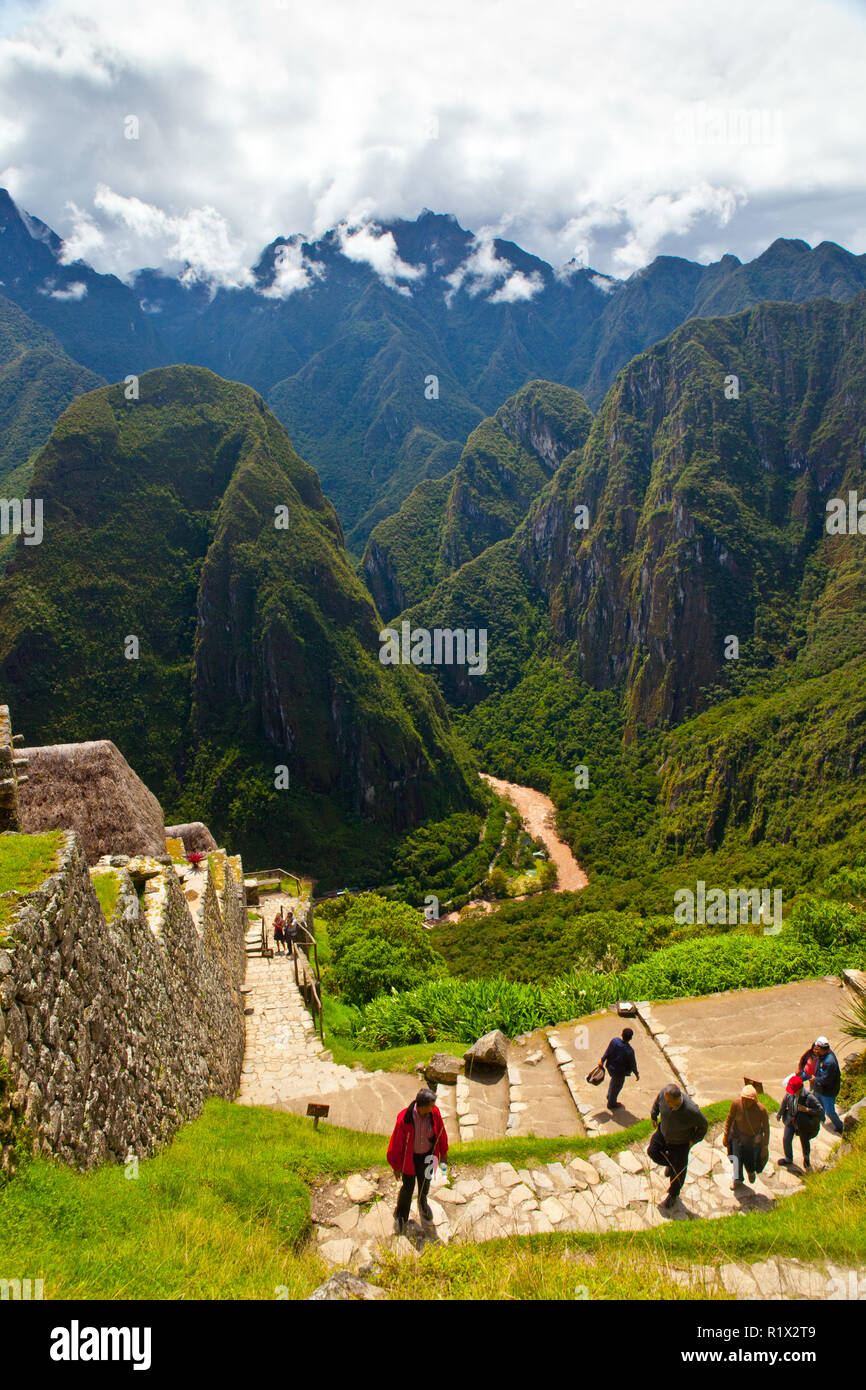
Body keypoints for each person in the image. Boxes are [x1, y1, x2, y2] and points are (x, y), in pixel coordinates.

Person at [387, 1088, 448, 1234]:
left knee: (425, 1182)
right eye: (431, 1105)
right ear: (421, 1106)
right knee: (407, 1188)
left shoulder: (434, 1113)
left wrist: (444, 1153)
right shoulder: (404, 1119)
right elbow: (396, 1143)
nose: (434, 1108)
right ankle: (401, 1216)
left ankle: (422, 1203)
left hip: (428, 1156)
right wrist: (396, 1166)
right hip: (410, 1159)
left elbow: (441, 1132)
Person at [648, 1083, 709, 1211]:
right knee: (652, 1152)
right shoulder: (664, 1094)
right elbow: (657, 1102)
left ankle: (673, 1194)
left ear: (677, 1099)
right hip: (663, 1134)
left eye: (669, 1101)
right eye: (666, 1100)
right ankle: (670, 1163)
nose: (667, 1103)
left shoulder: (692, 1111)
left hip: (681, 1143)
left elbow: (704, 1126)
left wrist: (693, 1141)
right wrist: (654, 1115)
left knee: (678, 1171)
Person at [722, 1085, 770, 1188]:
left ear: (754, 1100)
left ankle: (751, 1172)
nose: (745, 1102)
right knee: (736, 1157)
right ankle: (737, 1179)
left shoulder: (761, 1110)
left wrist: (765, 1146)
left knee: (751, 1159)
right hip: (737, 1135)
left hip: (751, 1139)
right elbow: (730, 1118)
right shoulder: (736, 1104)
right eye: (744, 1099)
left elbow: (766, 1128)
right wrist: (726, 1135)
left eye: (749, 1100)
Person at [778, 1073, 823, 1170]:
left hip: (803, 1123)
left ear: (800, 1088)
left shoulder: (809, 1097)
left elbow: (820, 1110)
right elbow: (784, 1103)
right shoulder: (790, 1093)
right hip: (790, 1120)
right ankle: (788, 1158)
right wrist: (779, 1114)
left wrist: (807, 1110)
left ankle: (806, 1159)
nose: (792, 1092)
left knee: (804, 1142)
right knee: (786, 1139)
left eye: (794, 1091)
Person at [598, 1027, 640, 1111]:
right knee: (617, 1086)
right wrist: (636, 1073)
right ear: (631, 1038)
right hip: (620, 1072)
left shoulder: (614, 1041)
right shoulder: (629, 1051)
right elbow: (632, 1064)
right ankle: (611, 1103)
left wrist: (602, 1060)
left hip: (610, 1067)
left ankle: (610, 1096)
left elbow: (608, 1052)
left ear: (622, 1034)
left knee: (613, 1081)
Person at [811, 1037, 844, 1135]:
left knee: (829, 1111)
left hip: (828, 1092)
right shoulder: (823, 1056)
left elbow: (827, 1080)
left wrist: (815, 1080)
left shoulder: (830, 1062)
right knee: (819, 1106)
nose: (815, 1051)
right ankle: (821, 1120)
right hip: (820, 1089)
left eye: (817, 1049)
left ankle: (840, 1126)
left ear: (822, 1048)